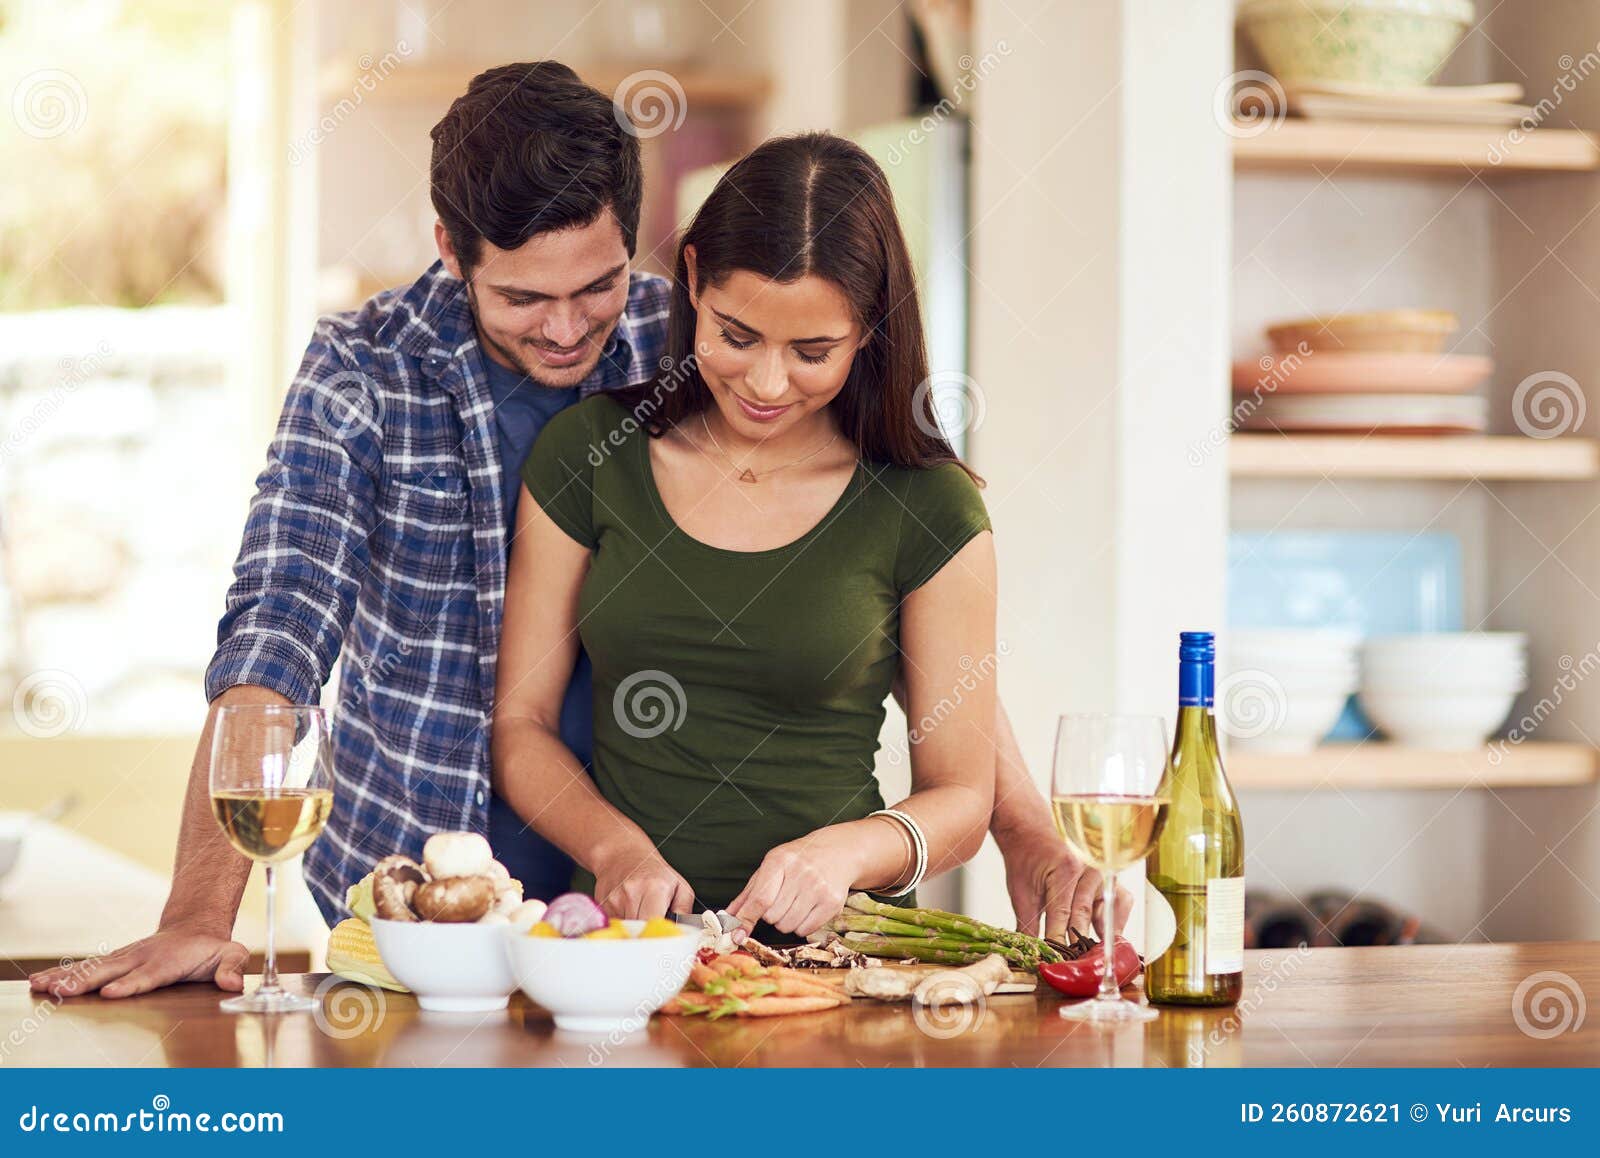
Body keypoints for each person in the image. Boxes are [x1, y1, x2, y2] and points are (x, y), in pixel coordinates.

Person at [29, 61, 1124, 1000]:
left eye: (595, 286)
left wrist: (1018, 826)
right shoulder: (361, 375)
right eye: (521, 299)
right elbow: (280, 631)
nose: (565, 329)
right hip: (436, 899)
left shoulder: (700, 338)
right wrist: (195, 913)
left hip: (681, 924)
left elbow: (893, 590)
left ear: (644, 247)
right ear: (451, 249)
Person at [495, 132, 996, 935]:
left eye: (813, 351)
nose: (766, 384)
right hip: (631, 954)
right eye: (736, 336)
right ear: (692, 278)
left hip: (841, 967)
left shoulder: (927, 506)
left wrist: (843, 855)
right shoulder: (591, 456)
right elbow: (522, 727)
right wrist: (617, 848)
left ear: (871, 328)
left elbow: (964, 798)